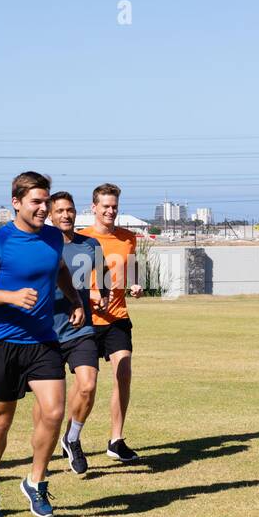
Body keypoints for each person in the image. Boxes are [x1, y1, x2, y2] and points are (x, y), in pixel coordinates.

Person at [0, 172, 84, 517]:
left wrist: (74, 299)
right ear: (16, 203)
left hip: (43, 340)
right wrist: (9, 296)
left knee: (55, 411)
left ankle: (37, 481)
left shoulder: (52, 237)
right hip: (3, 342)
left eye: (46, 202)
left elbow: (57, 268)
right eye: (36, 202)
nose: (44, 208)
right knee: (1, 421)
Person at [77, 183, 144, 462]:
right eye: (105, 206)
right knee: (85, 385)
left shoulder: (128, 238)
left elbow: (133, 268)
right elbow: (69, 281)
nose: (110, 211)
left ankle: (116, 440)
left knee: (123, 373)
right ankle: (73, 437)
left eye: (114, 206)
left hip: (118, 318)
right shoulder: (80, 239)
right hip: (88, 320)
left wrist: (136, 284)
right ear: (94, 207)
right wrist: (91, 294)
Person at [47, 191, 104, 476]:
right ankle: (41, 455)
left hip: (81, 329)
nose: (66, 215)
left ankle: (72, 437)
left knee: (88, 385)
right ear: (49, 214)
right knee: (50, 406)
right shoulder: (41, 246)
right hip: (45, 334)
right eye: (59, 211)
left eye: (69, 210)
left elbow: (103, 281)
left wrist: (101, 294)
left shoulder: (91, 245)